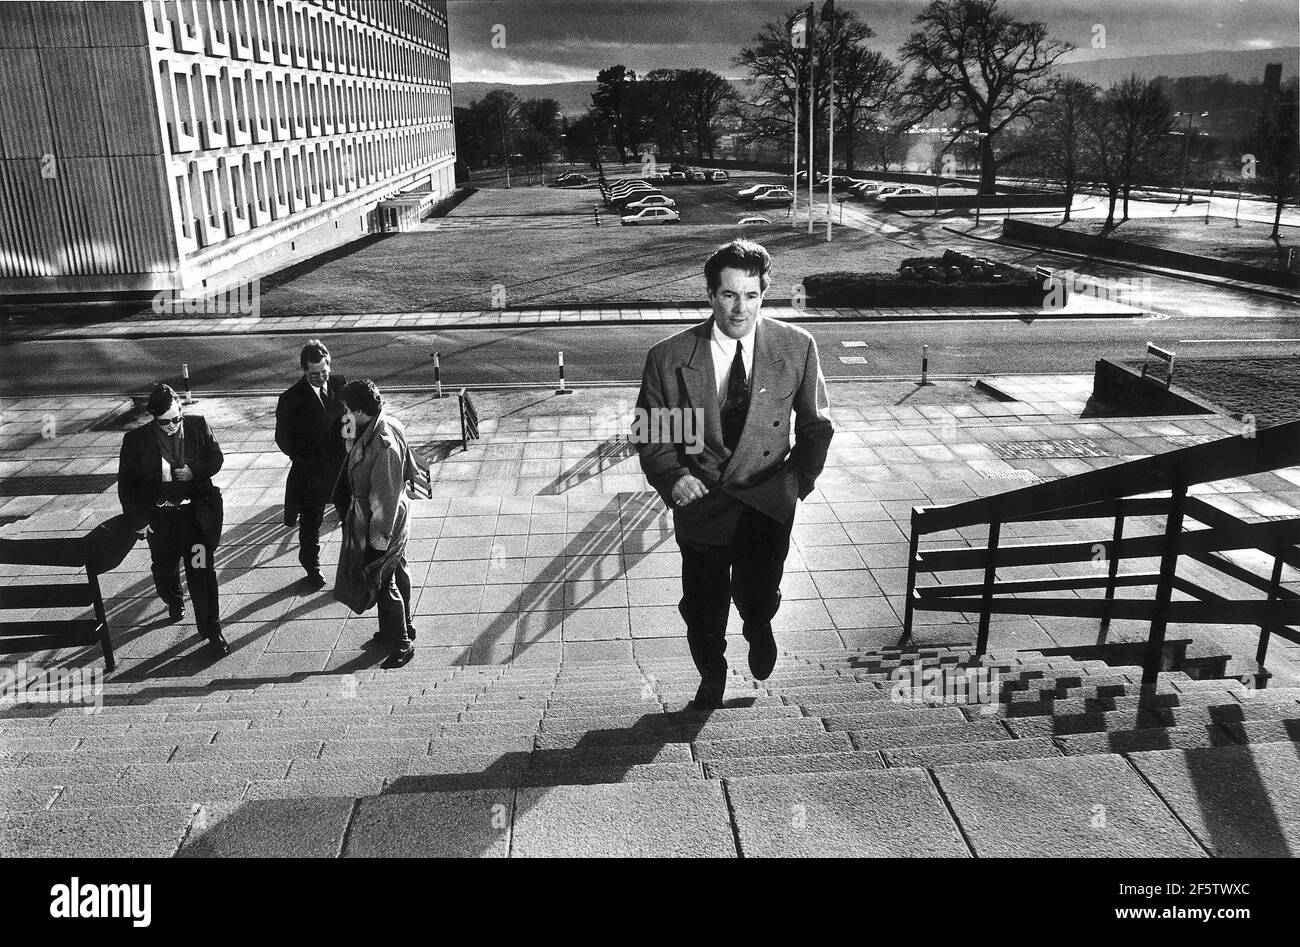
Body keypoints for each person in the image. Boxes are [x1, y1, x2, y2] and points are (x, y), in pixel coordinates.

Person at [634, 239, 833, 709]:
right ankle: (712, 671)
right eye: (728, 295)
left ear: (764, 294)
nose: (739, 308)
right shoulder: (669, 356)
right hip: (702, 504)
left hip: (766, 500)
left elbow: (816, 426)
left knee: (759, 592)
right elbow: (653, 432)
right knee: (702, 607)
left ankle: (759, 624)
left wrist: (794, 485)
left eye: (751, 295)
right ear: (709, 295)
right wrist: (671, 475)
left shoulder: (797, 346)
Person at [118, 383, 228, 657]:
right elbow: (127, 486)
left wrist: (195, 472)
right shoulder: (136, 441)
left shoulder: (198, 425)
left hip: (194, 518)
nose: (172, 426)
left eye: (176, 419)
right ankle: (173, 598)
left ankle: (211, 630)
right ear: (154, 418)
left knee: (202, 574)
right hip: (161, 521)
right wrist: (139, 521)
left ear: (181, 409)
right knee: (165, 571)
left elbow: (216, 457)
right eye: (165, 422)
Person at [333, 379, 418, 668]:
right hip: (395, 514)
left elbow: (384, 497)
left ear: (360, 411)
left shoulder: (384, 445)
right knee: (398, 568)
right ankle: (404, 624)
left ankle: (401, 644)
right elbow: (409, 471)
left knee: (382, 580)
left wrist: (377, 545)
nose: (344, 413)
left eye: (347, 409)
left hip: (383, 521)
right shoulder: (383, 425)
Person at [275, 339, 348, 587]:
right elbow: (283, 439)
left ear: (330, 365)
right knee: (310, 526)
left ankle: (352, 565)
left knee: (351, 519)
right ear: (304, 370)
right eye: (314, 374)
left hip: (342, 469)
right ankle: (312, 568)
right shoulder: (290, 399)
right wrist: (306, 459)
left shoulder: (340, 384)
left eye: (324, 372)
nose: (320, 378)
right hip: (312, 474)